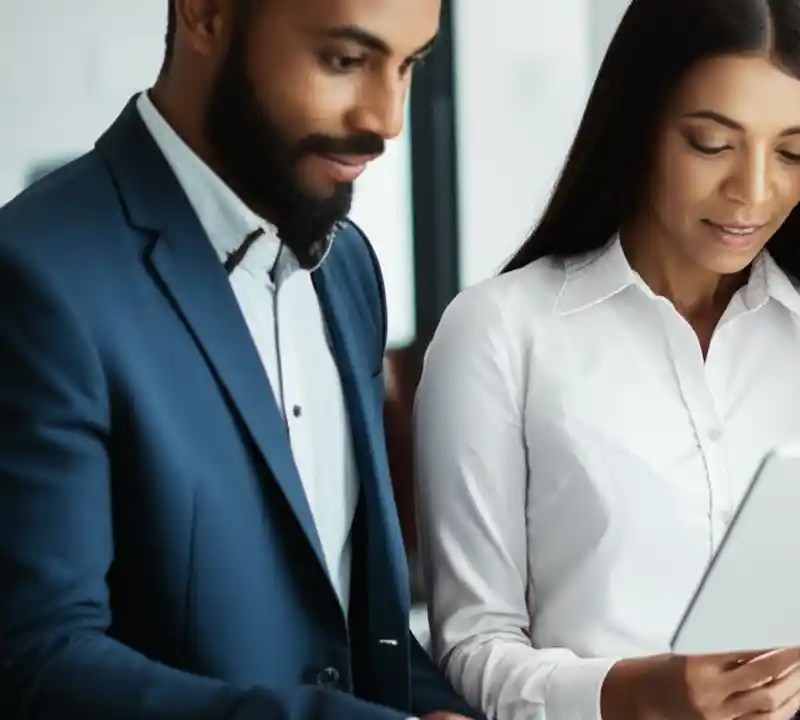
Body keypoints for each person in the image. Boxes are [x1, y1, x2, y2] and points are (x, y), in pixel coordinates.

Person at [414, 1, 800, 719]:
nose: (753, 191)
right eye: (711, 143)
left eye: (793, 152)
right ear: (639, 126)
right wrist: (644, 693)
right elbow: (474, 644)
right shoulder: (501, 332)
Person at [0, 0, 477, 718]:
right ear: (206, 14)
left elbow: (350, 631)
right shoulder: (38, 275)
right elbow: (36, 665)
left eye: (407, 65)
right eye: (346, 61)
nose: (387, 120)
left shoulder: (348, 268)